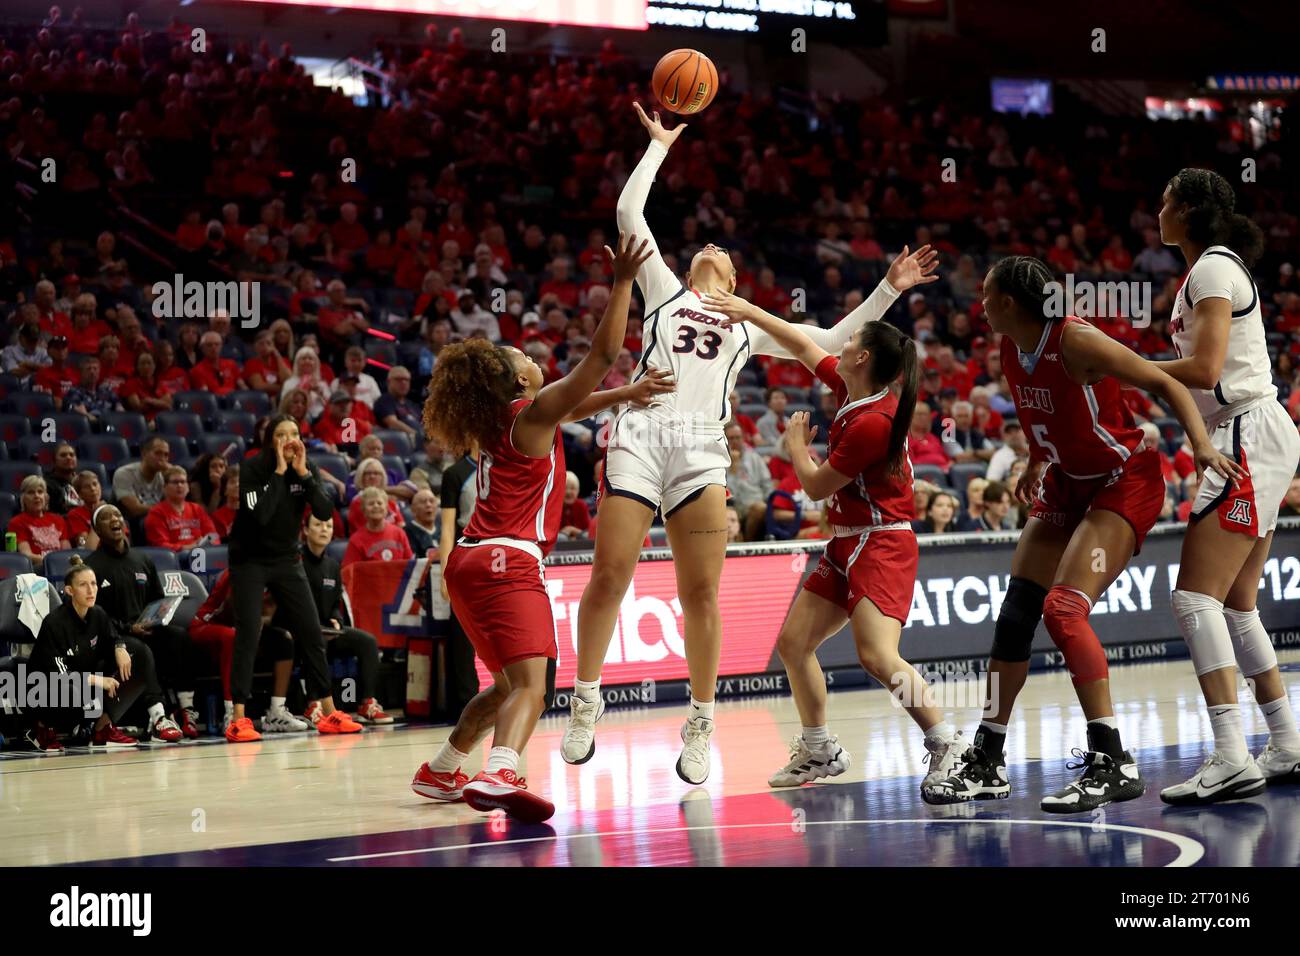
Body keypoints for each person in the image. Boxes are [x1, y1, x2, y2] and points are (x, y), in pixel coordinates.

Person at [562, 104, 939, 783]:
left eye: (727, 255)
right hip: (645, 432)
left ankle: (700, 723)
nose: (715, 250)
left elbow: (827, 341)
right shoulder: (664, 291)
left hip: (703, 447)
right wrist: (656, 150)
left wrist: (887, 287)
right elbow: (628, 216)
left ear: (735, 284)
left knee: (701, 594)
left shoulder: (745, 325)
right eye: (707, 248)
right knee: (611, 572)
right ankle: (586, 700)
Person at [924, 255, 1239, 813]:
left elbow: (1163, 379)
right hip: (1068, 480)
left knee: (1064, 610)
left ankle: (1112, 760)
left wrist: (1201, 443)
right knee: (1018, 608)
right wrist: (1034, 461)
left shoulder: (1078, 340)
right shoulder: (1009, 344)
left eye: (988, 292)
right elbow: (1040, 413)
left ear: (1013, 304)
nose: (980, 301)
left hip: (1124, 479)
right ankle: (988, 758)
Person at [411, 234, 662, 822]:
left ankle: (443, 767)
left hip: (469, 562)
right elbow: (598, 359)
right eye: (520, 357)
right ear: (519, 382)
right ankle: (502, 769)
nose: (529, 355)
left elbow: (570, 407)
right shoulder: (533, 411)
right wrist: (623, 282)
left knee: (504, 683)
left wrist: (627, 392)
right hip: (507, 561)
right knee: (533, 686)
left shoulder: (505, 419)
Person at [700, 291, 966, 793]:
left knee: (877, 656)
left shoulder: (872, 420)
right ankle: (819, 748)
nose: (839, 345)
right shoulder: (855, 393)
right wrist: (751, 312)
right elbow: (802, 346)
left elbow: (817, 486)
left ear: (862, 357)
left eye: (849, 343)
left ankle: (945, 740)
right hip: (847, 542)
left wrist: (797, 447)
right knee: (794, 644)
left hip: (881, 543)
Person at [1152, 169, 1300, 801]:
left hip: (1245, 432)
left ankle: (1230, 752)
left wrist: (1128, 367)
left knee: (1194, 600)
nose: (1157, 212)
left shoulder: (1212, 270)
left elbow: (1207, 368)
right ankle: (1288, 741)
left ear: (1185, 212)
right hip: (1257, 431)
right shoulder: (1212, 268)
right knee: (1237, 602)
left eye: (1165, 202)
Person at [225, 413, 362, 742]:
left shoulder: (307, 468)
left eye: (294, 433)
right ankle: (239, 718)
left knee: (311, 632)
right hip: (249, 560)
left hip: (287, 557)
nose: (289, 439)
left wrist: (304, 475)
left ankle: (329, 712)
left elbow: (326, 511)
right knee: (248, 633)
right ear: (271, 440)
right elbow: (260, 515)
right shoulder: (254, 469)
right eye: (282, 434)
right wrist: (280, 474)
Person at [25, 557, 181, 751]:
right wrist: (99, 681)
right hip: (43, 690)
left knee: (139, 654)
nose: (91, 590)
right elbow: (60, 676)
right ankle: (41, 728)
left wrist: (120, 647)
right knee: (70, 689)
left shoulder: (98, 613)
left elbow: (113, 636)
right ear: (69, 591)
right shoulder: (54, 624)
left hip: (84, 682)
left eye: (93, 584)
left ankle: (102, 728)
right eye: (83, 585)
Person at [86, 505, 202, 738]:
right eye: (106, 518)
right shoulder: (92, 566)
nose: (114, 520)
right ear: (97, 530)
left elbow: (157, 600)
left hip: (145, 629)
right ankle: (158, 717)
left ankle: (186, 709)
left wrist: (155, 619)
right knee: (139, 650)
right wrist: (129, 628)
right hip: (113, 637)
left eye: (118, 515)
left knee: (179, 637)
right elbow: (94, 615)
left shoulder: (142, 559)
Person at [295, 514, 392, 725]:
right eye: (318, 524)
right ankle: (314, 705)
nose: (324, 529)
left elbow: (335, 602)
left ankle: (367, 703)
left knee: (368, 642)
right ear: (306, 530)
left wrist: (336, 619)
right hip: (300, 631)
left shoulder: (332, 565)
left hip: (328, 630)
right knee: (316, 642)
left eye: (328, 526)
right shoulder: (296, 562)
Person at [189, 569, 305, 737]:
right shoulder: (237, 571)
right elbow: (233, 611)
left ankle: (276, 712)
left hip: (245, 628)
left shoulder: (276, 571)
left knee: (283, 639)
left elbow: (268, 615)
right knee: (233, 636)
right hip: (205, 625)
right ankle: (231, 714)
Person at [144, 466, 222, 551]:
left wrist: (206, 544)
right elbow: (160, 545)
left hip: (201, 554)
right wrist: (186, 547)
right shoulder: (156, 513)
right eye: (175, 482)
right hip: (175, 558)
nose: (180, 485)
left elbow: (213, 536)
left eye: (183, 482)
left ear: (188, 487)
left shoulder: (197, 509)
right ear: (164, 488)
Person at [9, 476, 70, 571]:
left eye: (40, 492)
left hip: (60, 566)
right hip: (37, 568)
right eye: (31, 492)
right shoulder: (17, 522)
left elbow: (66, 551)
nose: (36, 496)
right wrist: (52, 563)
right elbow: (26, 554)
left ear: (46, 497)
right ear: (23, 498)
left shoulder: (58, 520)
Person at [343, 488, 415, 566]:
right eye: (371, 504)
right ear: (363, 510)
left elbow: (410, 566)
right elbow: (349, 572)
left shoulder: (399, 533)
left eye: (379, 503)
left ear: (386, 509)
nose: (376, 506)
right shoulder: (356, 540)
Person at [112, 436, 171, 524]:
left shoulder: (164, 475)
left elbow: (176, 504)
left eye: (166, 455)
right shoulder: (124, 473)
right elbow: (135, 510)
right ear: (144, 454)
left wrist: (172, 476)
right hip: (128, 524)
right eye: (158, 453)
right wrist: (165, 509)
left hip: (155, 519)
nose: (162, 458)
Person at [374, 365, 422, 437]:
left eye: (406, 380)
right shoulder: (384, 401)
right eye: (398, 379)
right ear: (388, 382)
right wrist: (419, 437)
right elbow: (392, 423)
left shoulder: (412, 405)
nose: (403, 383)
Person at [65, 470, 104, 549]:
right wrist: (97, 517)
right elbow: (86, 548)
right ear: (79, 494)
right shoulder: (75, 515)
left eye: (95, 484)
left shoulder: (113, 510)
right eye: (86, 487)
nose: (93, 489)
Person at [44, 443, 82, 515]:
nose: (68, 457)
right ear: (54, 461)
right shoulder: (46, 485)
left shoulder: (82, 481)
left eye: (72, 455)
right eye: (63, 455)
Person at [405, 488, 440, 556]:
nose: (428, 505)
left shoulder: (445, 531)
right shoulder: (406, 533)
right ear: (413, 509)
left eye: (432, 501)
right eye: (423, 502)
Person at [559, 471, 592, 539]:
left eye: (572, 488)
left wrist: (571, 529)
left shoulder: (581, 505)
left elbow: (588, 531)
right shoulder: (555, 506)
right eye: (565, 488)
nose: (568, 492)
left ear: (578, 491)